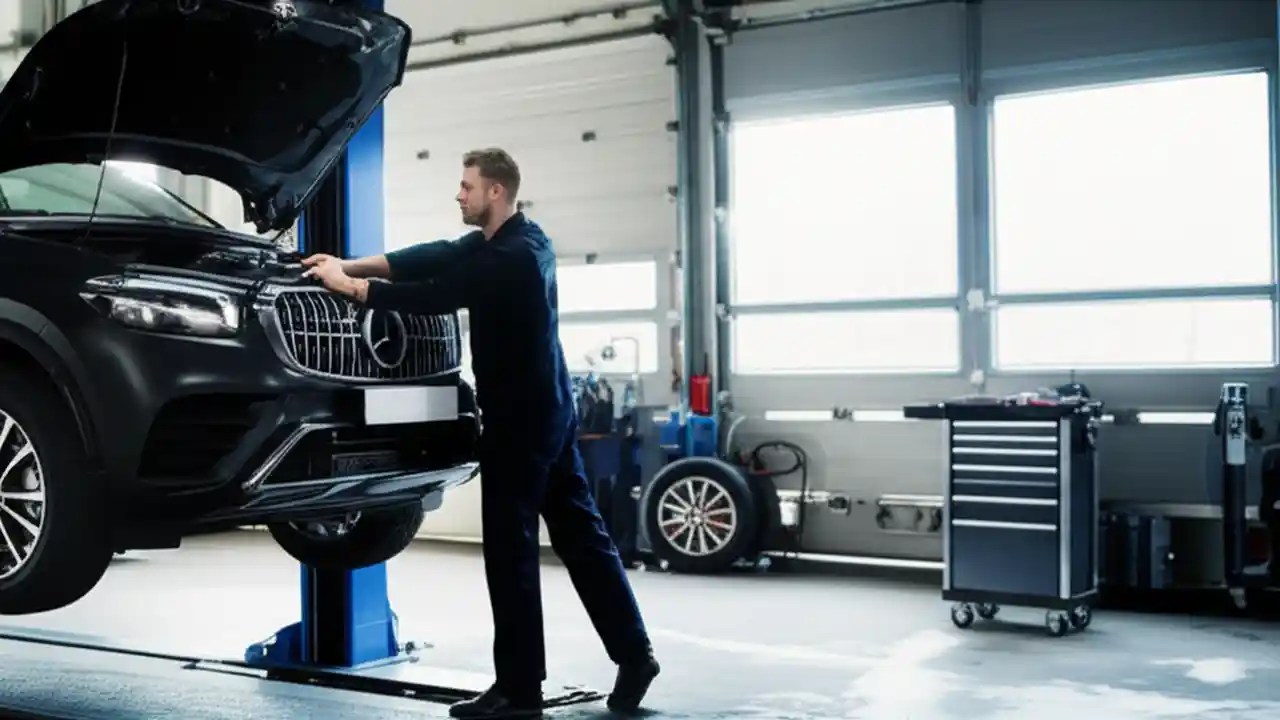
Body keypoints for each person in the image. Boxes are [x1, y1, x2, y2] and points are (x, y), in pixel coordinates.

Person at [301, 148, 660, 718]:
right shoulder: (524, 239)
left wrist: (349, 287)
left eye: (467, 186)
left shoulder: (508, 259)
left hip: (520, 422)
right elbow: (435, 255)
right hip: (552, 412)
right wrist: (351, 263)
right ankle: (635, 655)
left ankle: (519, 689)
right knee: (583, 540)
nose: (459, 194)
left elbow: (435, 294)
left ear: (496, 192)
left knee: (510, 551)